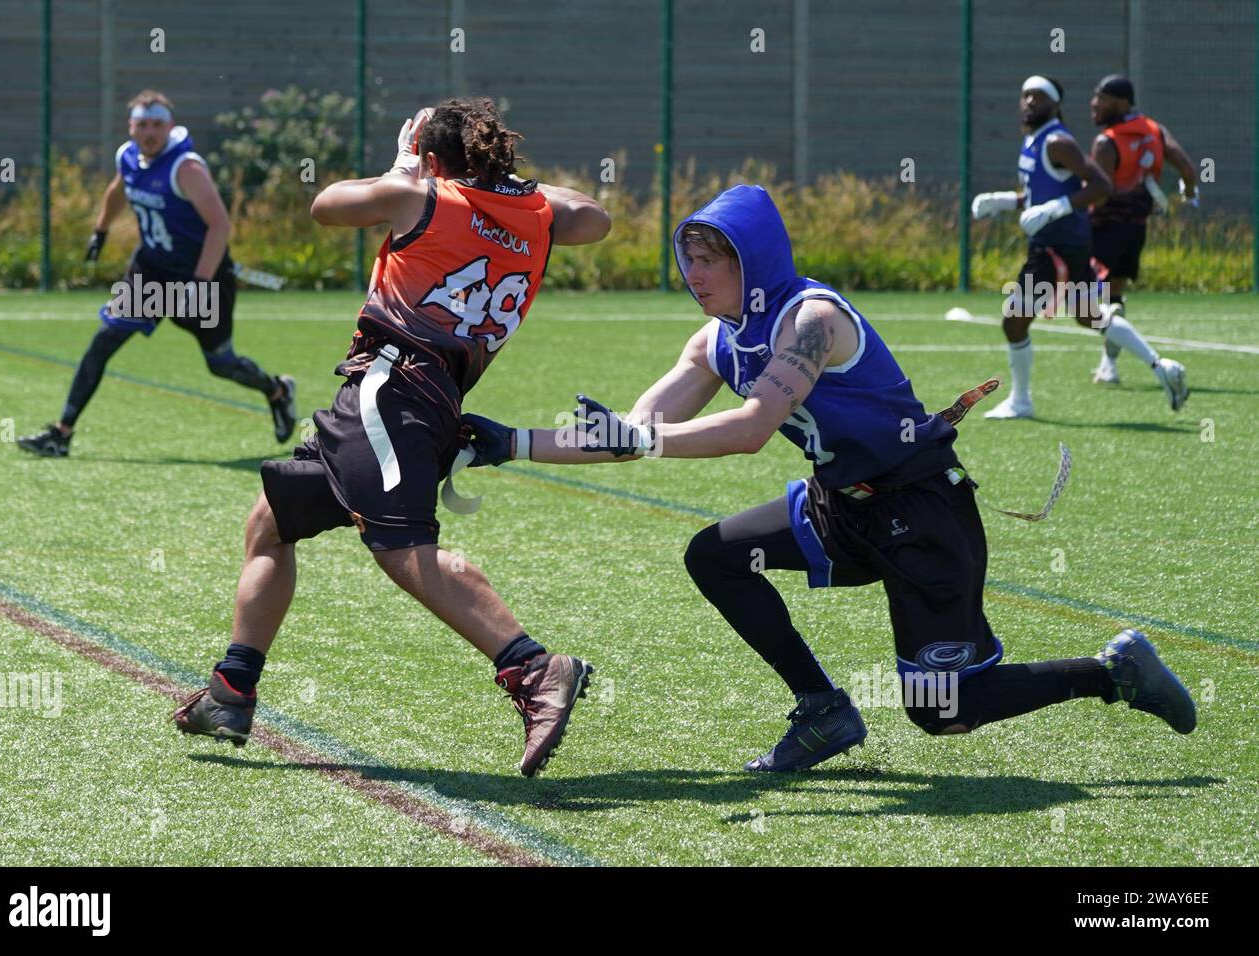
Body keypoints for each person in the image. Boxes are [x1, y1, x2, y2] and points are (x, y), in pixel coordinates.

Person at [462, 183, 1196, 772]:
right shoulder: (717, 337)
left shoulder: (810, 317)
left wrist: (641, 439)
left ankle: (1113, 672)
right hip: (840, 507)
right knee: (715, 553)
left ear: (753, 257)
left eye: (710, 260)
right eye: (687, 259)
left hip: (921, 513)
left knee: (943, 711)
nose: (693, 277)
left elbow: (749, 430)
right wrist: (511, 441)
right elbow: (634, 430)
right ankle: (823, 709)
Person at [173, 98, 610, 777]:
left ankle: (533, 667)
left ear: (433, 161)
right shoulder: (539, 215)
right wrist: (504, 183)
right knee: (272, 521)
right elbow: (595, 216)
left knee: (404, 548)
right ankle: (233, 690)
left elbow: (326, 205)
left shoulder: (419, 194)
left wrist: (406, 164)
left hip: (391, 390)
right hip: (424, 403)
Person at [16, 90, 297, 457]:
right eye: (142, 124)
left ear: (171, 127)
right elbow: (119, 189)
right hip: (151, 273)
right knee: (104, 341)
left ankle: (277, 391)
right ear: (130, 127)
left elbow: (220, 227)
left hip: (201, 276)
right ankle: (61, 433)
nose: (149, 132)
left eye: (157, 125)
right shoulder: (129, 157)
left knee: (220, 363)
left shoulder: (186, 168)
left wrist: (199, 283)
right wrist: (100, 230)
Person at [972, 75, 1136, 420]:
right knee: (1089, 316)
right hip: (1060, 242)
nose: (1030, 101)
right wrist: (1002, 201)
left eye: (1038, 96)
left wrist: (1054, 209)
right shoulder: (1032, 140)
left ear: (1055, 104)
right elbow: (1036, 197)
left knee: (1014, 321)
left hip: (1055, 244)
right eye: (1025, 95)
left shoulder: (1057, 141)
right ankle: (1160, 364)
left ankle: (1020, 401)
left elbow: (1100, 185)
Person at [1088, 73, 1195, 404]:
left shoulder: (1107, 141)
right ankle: (1109, 364)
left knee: (1083, 301)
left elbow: (1099, 193)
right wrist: (1189, 193)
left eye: (1100, 98)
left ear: (1119, 102)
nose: (1094, 104)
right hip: (1135, 228)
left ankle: (1143, 363)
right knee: (1114, 293)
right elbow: (1189, 171)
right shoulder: (1155, 131)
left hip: (1102, 229)